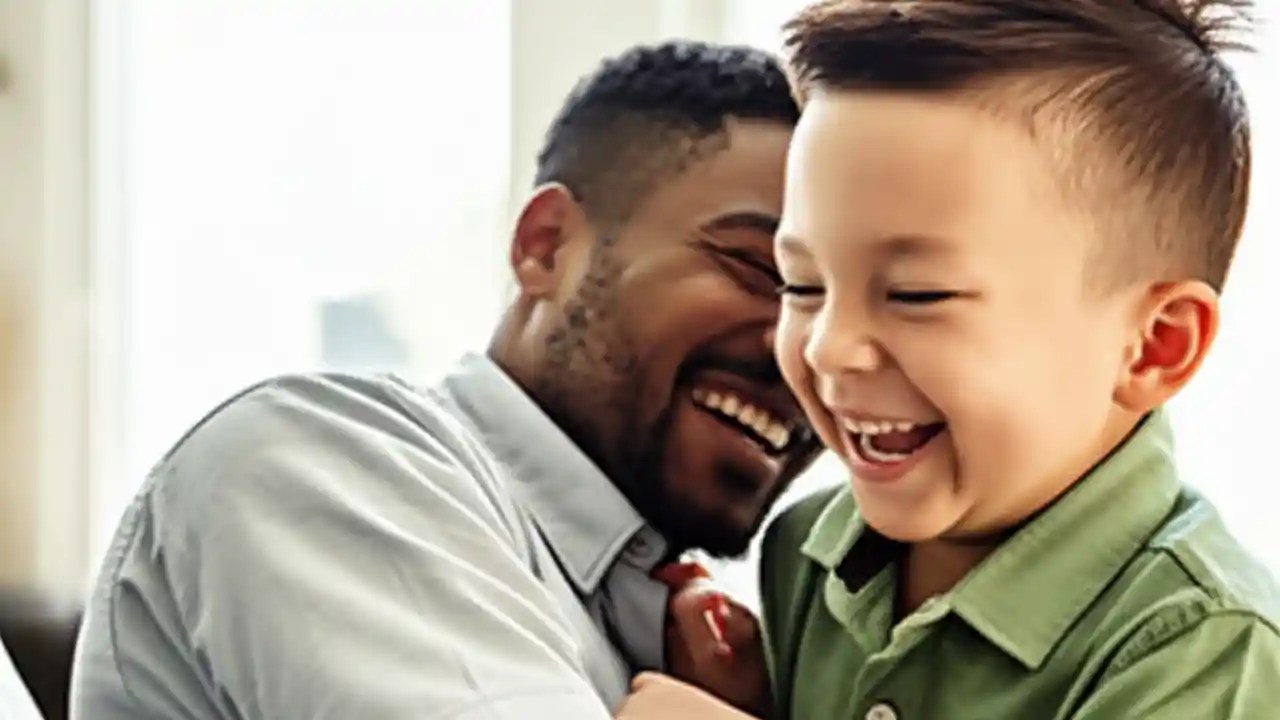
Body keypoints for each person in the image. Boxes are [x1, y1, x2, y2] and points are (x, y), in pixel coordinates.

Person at [70, 39, 821, 720]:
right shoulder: (326, 466)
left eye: (867, 303)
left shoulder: (697, 645)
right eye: (763, 271)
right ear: (545, 246)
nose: (811, 350)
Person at [616, 1, 1280, 718]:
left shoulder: (1204, 646)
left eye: (917, 294)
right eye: (802, 285)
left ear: (1156, 345)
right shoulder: (805, 553)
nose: (827, 345)